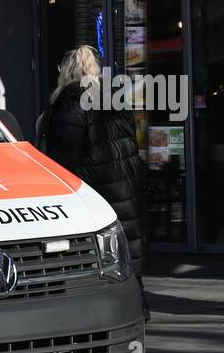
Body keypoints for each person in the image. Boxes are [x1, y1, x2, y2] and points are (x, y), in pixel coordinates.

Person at [39, 45, 148, 293]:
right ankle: (138, 303)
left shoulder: (70, 103)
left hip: (95, 193)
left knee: (98, 262)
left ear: (65, 72)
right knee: (127, 255)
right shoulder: (114, 100)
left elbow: (63, 160)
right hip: (125, 190)